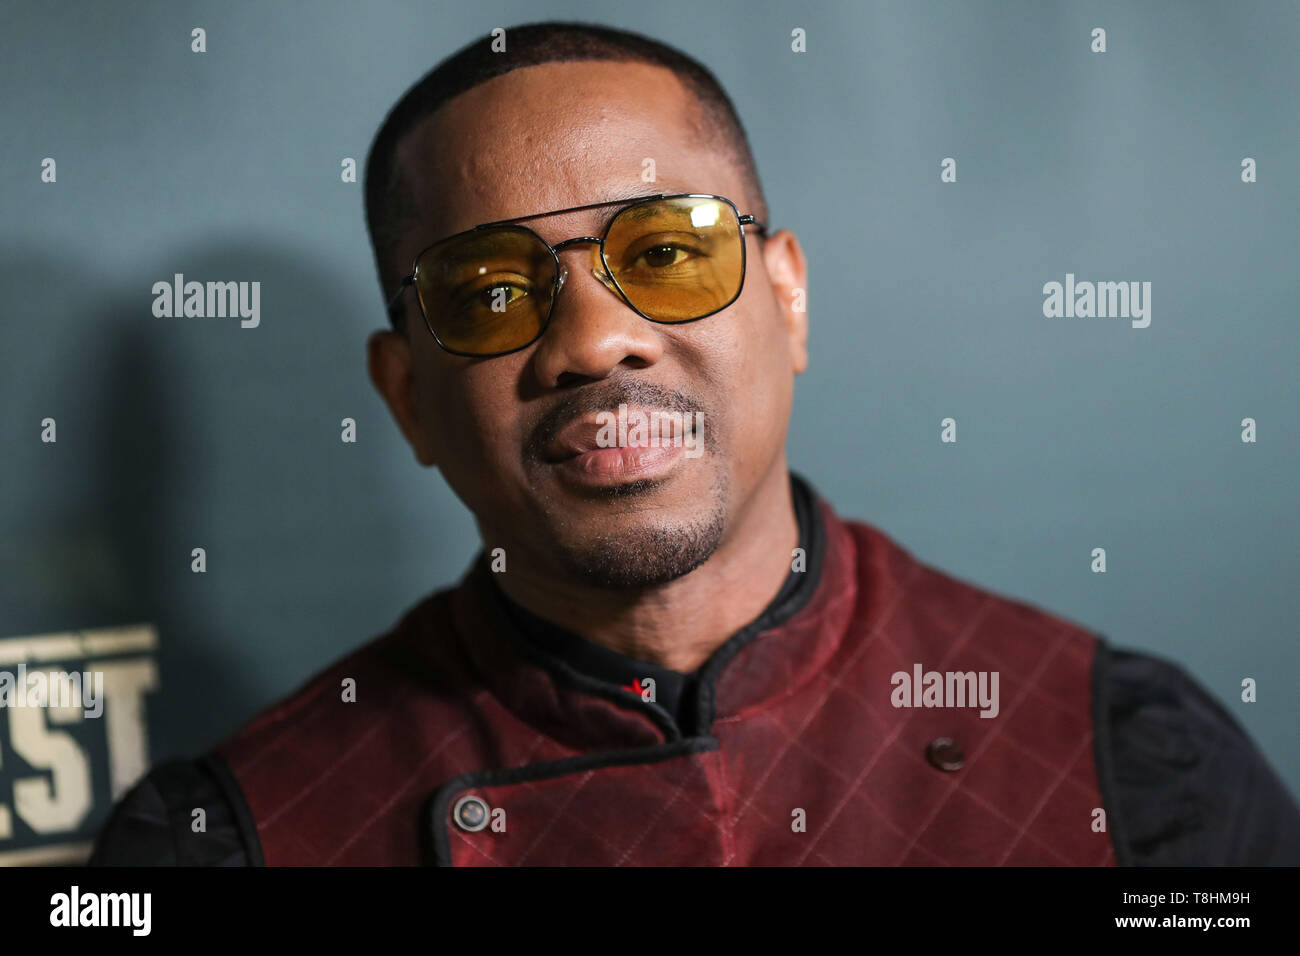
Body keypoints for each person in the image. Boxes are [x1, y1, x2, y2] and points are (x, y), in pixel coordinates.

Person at [91, 20, 1300, 866]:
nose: (596, 339)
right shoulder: (232, 836)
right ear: (407, 394)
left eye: (666, 252)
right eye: (491, 292)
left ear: (788, 299)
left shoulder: (1131, 761)